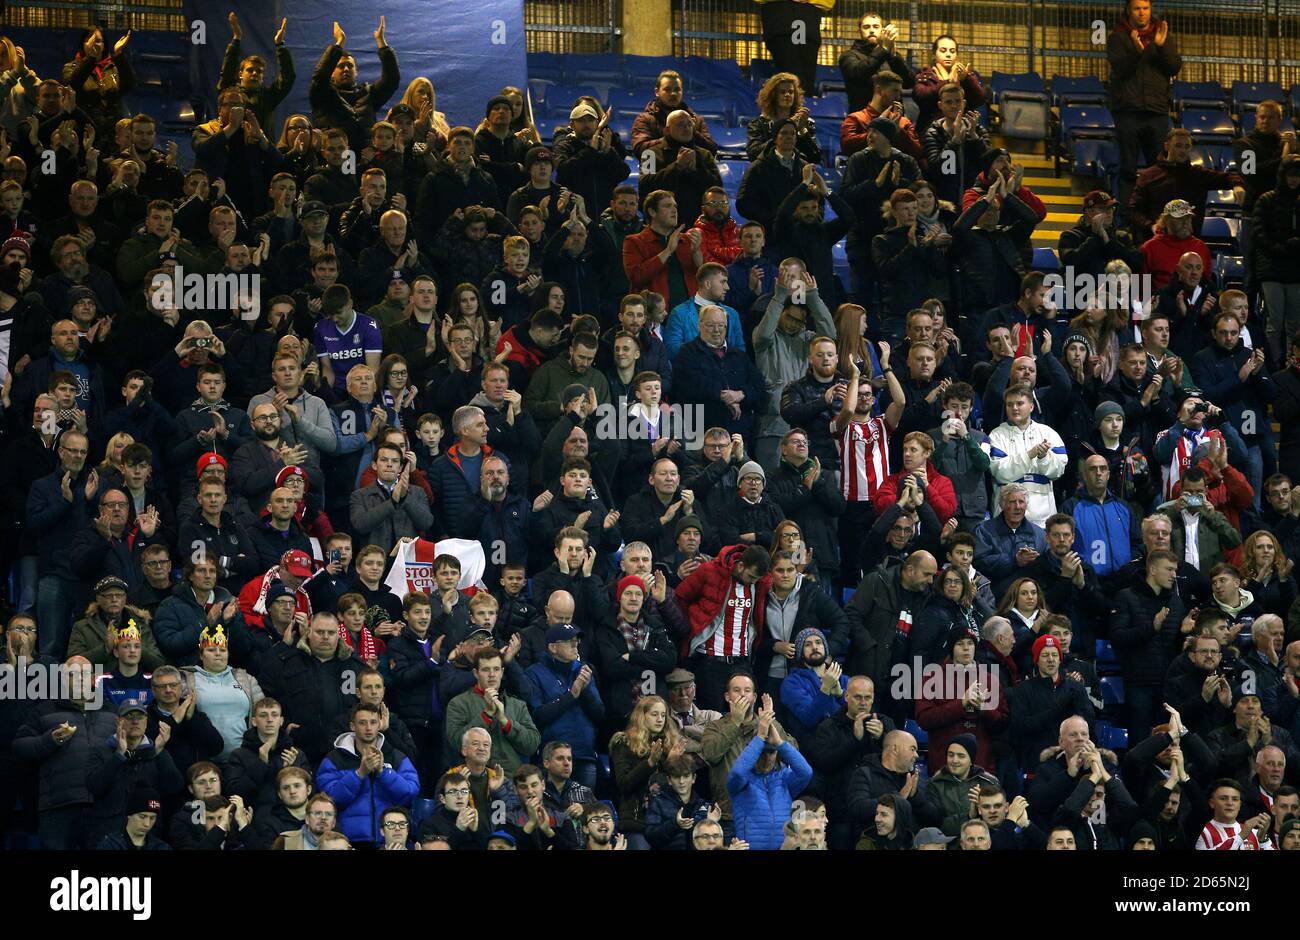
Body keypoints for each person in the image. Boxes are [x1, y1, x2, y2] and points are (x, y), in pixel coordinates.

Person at [1106, 0, 1182, 216]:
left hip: (1157, 111)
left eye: (1146, 8)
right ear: (1129, 11)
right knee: (1128, 169)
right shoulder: (1118, 37)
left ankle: (1156, 216)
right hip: (1128, 112)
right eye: (1137, 8)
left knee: (1158, 169)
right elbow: (1120, 70)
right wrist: (1137, 52)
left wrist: (1159, 47)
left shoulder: (1162, 36)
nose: (1142, 13)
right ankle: (1126, 218)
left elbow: (1173, 67)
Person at [675, 544, 772, 710]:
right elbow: (680, 596)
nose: (753, 581)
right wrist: (692, 624)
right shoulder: (709, 572)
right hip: (710, 661)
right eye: (751, 576)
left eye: (757, 579)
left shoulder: (757, 583)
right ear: (741, 566)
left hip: (742, 661)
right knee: (712, 718)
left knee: (745, 719)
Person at [316, 702, 420, 847]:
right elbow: (331, 800)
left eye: (373, 722)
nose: (368, 728)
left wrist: (384, 772)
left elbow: (410, 793)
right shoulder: (334, 759)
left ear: (380, 725)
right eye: (362, 723)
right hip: (348, 841)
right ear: (353, 726)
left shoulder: (396, 757)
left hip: (388, 841)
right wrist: (360, 774)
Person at [524, 623, 605, 790]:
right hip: (552, 759)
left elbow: (599, 713)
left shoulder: (583, 670)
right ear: (553, 647)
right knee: (552, 811)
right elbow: (538, 715)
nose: (575, 646)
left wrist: (586, 691)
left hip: (583, 755)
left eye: (576, 642)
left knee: (584, 811)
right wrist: (571, 695)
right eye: (569, 642)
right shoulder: (534, 673)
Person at [726, 694, 813, 850]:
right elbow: (737, 773)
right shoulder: (741, 782)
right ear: (753, 752)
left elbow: (806, 772)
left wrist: (780, 743)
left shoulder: (784, 778)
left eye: (771, 752)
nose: (767, 758)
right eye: (762, 752)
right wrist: (759, 737)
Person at [444, 646, 539, 776]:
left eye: (496, 669)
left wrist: (506, 722)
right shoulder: (458, 704)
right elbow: (457, 742)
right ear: (476, 673)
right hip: (474, 779)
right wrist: (486, 715)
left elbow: (532, 745)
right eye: (485, 670)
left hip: (512, 780)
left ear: (502, 672)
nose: (492, 675)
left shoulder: (517, 705)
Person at [838, 14, 914, 114]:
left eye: (876, 26)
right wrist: (884, 49)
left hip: (893, 118)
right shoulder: (848, 56)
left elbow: (909, 82)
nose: (872, 30)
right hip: (863, 118)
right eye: (866, 27)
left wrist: (893, 55)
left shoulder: (890, 56)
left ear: (882, 31)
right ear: (859, 31)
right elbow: (859, 74)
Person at [1196, 778, 1272, 849]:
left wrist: (1263, 840)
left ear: (1240, 805)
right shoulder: (1203, 832)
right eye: (1223, 798)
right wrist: (1241, 836)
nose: (1230, 803)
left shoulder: (1253, 832)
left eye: (1235, 799)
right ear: (1212, 803)